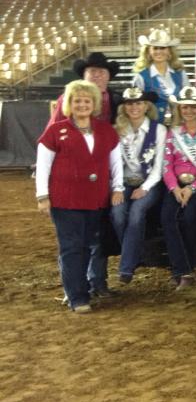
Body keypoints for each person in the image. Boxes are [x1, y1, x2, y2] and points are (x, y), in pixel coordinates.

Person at [36, 80, 123, 313]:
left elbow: (116, 163)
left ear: (94, 104)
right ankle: (77, 297)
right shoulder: (56, 130)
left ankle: (79, 287)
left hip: (96, 199)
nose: (82, 105)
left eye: (87, 101)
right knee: (72, 246)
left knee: (87, 246)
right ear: (68, 104)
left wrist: (118, 187)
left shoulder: (106, 130)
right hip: (65, 200)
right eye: (77, 101)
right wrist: (42, 195)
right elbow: (43, 164)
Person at [112, 87, 167, 285]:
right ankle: (135, 254)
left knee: (136, 214)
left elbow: (159, 167)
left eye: (138, 103)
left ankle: (126, 268)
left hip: (150, 183)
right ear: (124, 107)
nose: (134, 107)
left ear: (146, 106)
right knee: (118, 215)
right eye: (129, 103)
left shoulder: (159, 130)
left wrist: (145, 187)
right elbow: (115, 163)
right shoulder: (117, 130)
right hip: (124, 182)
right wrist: (117, 188)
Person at [161, 86, 196, 290]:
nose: (189, 111)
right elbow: (166, 164)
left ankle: (186, 269)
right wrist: (175, 188)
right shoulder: (171, 133)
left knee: (190, 218)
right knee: (167, 218)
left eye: (194, 107)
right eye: (185, 107)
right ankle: (181, 269)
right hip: (175, 186)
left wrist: (193, 188)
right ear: (179, 109)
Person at [47, 52, 123, 128]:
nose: (97, 75)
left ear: (108, 76)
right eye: (92, 71)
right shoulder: (67, 98)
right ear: (84, 75)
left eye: (101, 72)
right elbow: (53, 128)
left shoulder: (117, 99)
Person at [131, 27, 188, 121]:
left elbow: (187, 101)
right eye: (155, 48)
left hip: (178, 126)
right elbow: (136, 105)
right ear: (149, 51)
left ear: (169, 51)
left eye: (162, 48)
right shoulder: (141, 77)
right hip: (152, 126)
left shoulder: (181, 74)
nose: (158, 51)